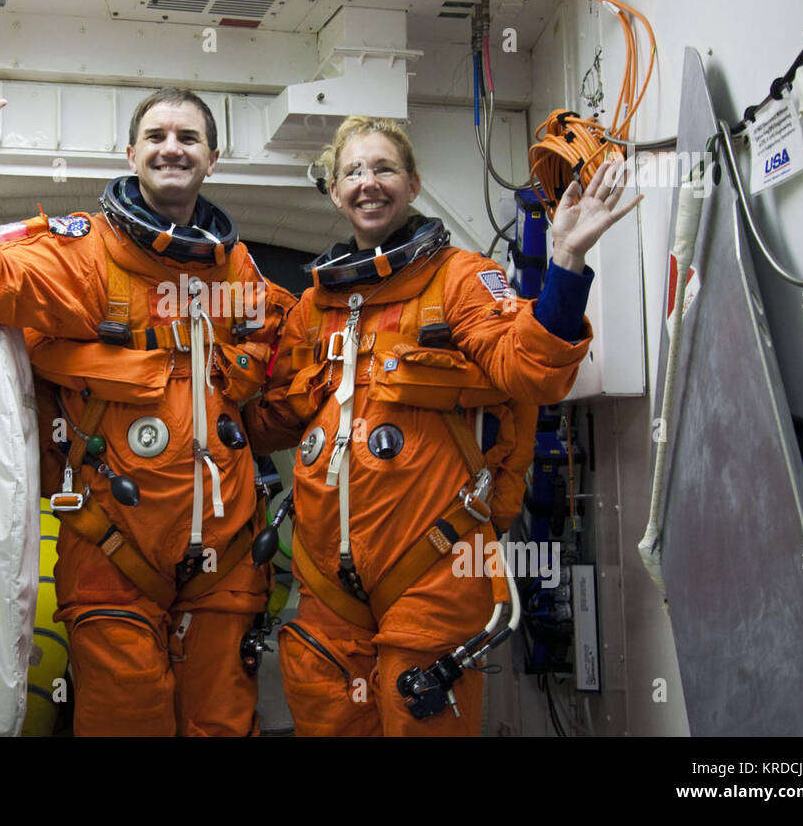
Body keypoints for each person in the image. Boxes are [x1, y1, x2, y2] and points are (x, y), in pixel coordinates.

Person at [0, 55, 295, 736]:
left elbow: (279, 398)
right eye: (159, 136)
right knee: (123, 721)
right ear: (131, 152)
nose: (173, 147)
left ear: (213, 159)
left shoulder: (242, 274)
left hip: (226, 555)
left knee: (222, 724)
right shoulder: (83, 255)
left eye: (189, 138)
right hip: (114, 549)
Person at [245, 115, 636, 736]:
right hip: (325, 581)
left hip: (428, 563)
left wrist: (566, 258)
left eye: (383, 169)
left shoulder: (457, 279)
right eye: (353, 171)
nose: (367, 183)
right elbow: (275, 420)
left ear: (414, 182)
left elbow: (529, 369)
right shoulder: (315, 308)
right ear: (335, 188)